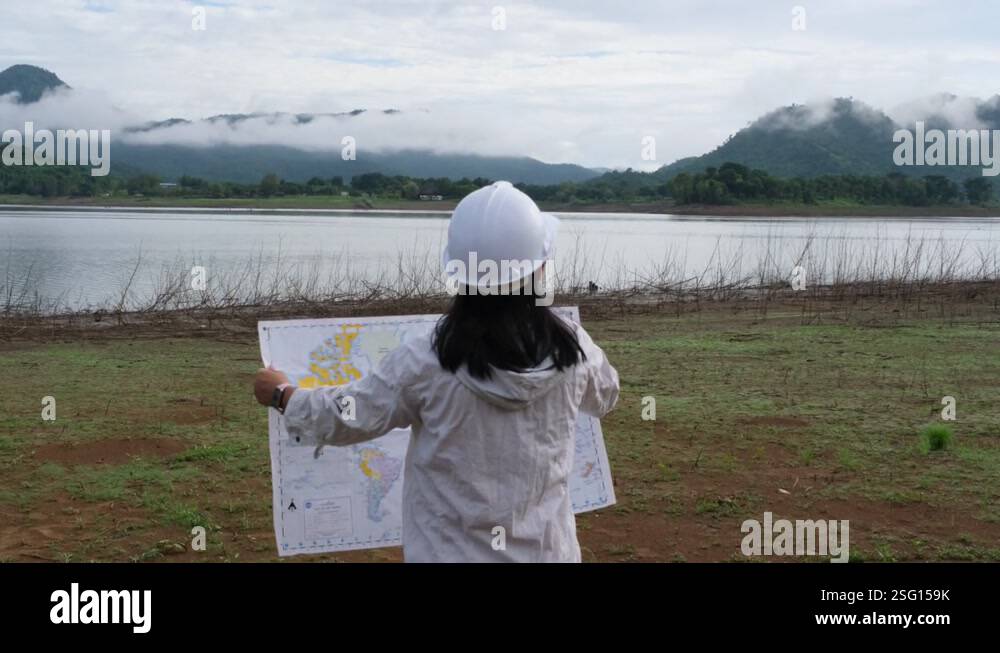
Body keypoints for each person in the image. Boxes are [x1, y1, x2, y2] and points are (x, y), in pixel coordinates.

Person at [254, 181, 619, 562]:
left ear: (458, 274)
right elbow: (606, 395)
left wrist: (283, 395)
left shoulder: (426, 361)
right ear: (541, 268)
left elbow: (349, 416)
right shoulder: (574, 351)